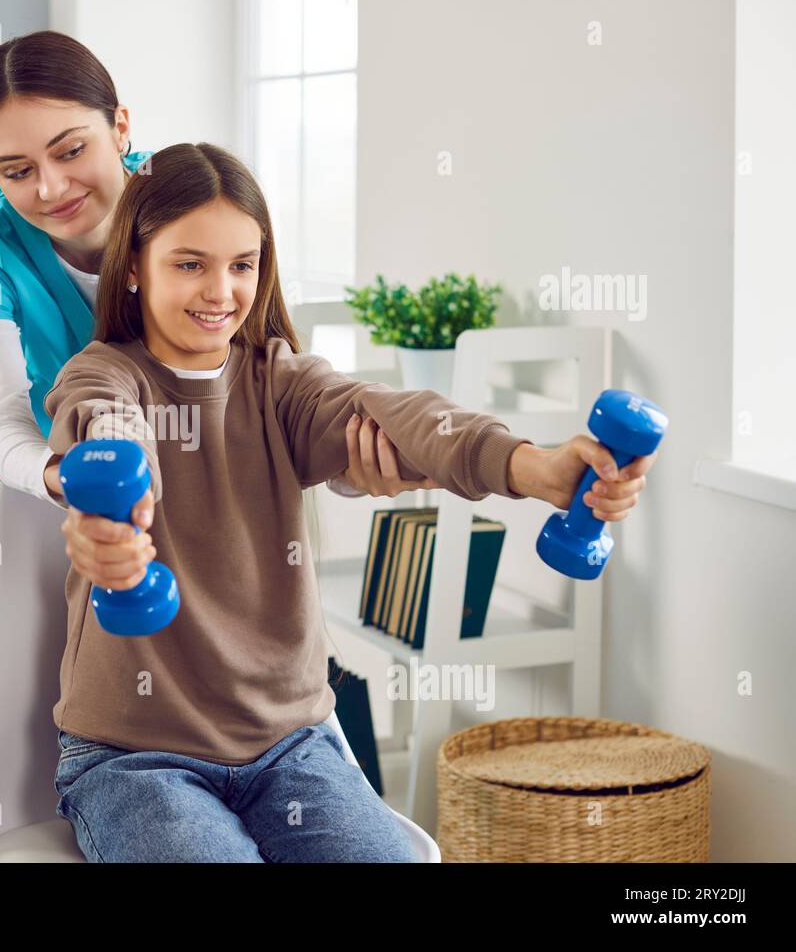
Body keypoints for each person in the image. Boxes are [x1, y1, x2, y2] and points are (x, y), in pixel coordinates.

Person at [42, 143, 657, 862]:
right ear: (136, 267)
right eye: (190, 263)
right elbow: (102, 423)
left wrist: (535, 467)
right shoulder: (107, 376)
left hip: (290, 747)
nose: (221, 291)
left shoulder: (279, 382)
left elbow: (400, 413)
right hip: (135, 755)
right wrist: (103, 492)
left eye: (243, 264)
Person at [0, 30, 412, 594]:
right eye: (16, 171)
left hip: (140, 460)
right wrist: (70, 478)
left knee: (136, 655)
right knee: (31, 665)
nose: (51, 187)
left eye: (71, 150)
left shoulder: (188, 195)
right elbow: (3, 419)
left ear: (120, 126)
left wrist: (351, 471)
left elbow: (268, 383)